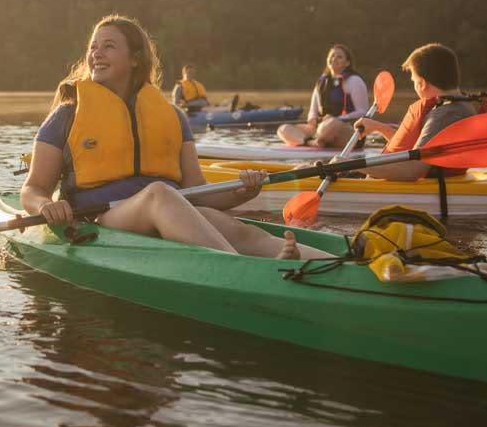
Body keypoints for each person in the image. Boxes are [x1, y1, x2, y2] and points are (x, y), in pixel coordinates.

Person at [21, 14, 328, 260]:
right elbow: (33, 189)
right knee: (160, 194)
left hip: (173, 210)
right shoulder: (67, 114)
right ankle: (246, 271)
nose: (95, 54)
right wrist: (45, 206)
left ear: (135, 59)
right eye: (93, 46)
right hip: (102, 219)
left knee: (241, 232)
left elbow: (197, 192)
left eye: (108, 46)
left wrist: (243, 193)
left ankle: (331, 263)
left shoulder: (172, 117)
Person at [354, 43, 476, 181]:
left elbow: (412, 170)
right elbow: (414, 146)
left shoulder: (444, 115)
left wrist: (351, 165)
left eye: (414, 80)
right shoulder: (461, 105)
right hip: (440, 181)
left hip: (418, 189)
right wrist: (378, 127)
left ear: (422, 83)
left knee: (343, 170)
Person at [277, 44, 368, 148]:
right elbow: (312, 112)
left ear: (347, 63)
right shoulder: (321, 83)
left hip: (346, 132)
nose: (334, 59)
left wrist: (338, 118)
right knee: (283, 129)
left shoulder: (354, 81)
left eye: (339, 57)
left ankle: (317, 140)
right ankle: (309, 142)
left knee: (331, 124)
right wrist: (313, 119)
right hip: (321, 129)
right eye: (332, 56)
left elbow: (362, 112)